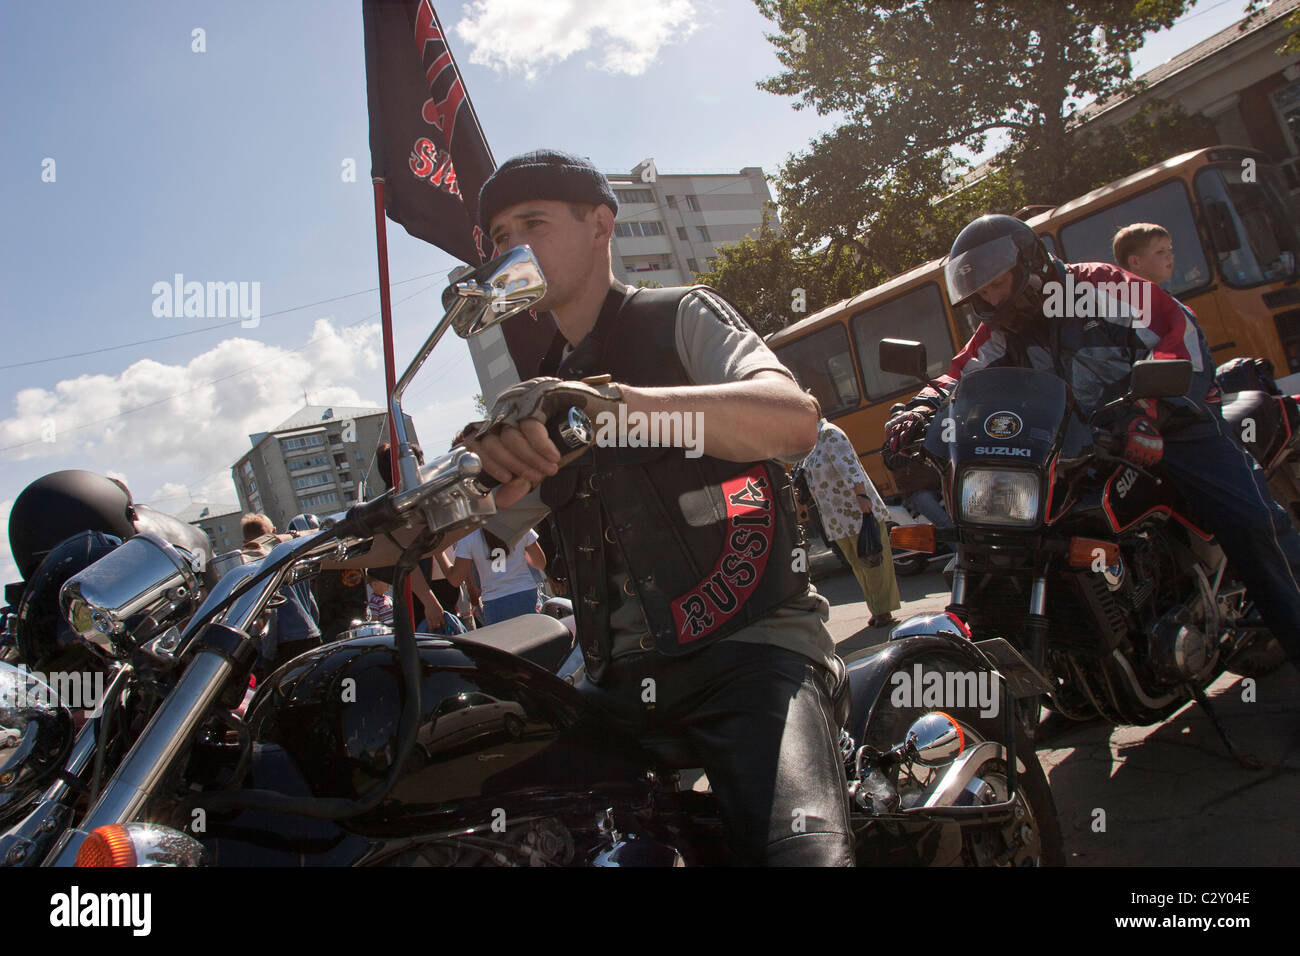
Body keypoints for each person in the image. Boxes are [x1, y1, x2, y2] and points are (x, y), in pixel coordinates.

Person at [456, 149, 854, 866]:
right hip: (616, 685)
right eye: (498, 237)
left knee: (802, 858)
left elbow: (794, 420)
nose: (511, 246)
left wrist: (619, 408)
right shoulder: (537, 394)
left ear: (602, 224)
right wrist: (401, 520)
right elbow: (487, 520)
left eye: (533, 223)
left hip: (753, 654)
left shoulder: (678, 316)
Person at [884, 214, 1300, 669]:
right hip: (1084, 445)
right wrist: (919, 410)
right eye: (982, 293)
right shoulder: (1003, 330)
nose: (993, 299)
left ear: (1030, 264)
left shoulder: (1098, 287)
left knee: (1252, 523)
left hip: (1172, 426)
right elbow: (960, 374)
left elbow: (1178, 335)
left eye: (999, 284)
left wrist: (1147, 414)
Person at [802, 414, 899, 627]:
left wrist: (862, 496)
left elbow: (850, 467)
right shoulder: (811, 441)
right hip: (837, 517)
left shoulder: (830, 434)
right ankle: (876, 608)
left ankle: (883, 611)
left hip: (856, 512)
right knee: (860, 566)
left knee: (873, 562)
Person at [241, 513, 322, 670]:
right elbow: (312, 605)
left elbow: (269, 616)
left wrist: (266, 655)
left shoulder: (255, 569)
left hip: (282, 642)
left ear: (245, 543)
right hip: (309, 634)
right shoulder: (293, 558)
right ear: (274, 532)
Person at [436, 527, 545, 625]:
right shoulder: (518, 524)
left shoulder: (468, 536)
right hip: (526, 595)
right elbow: (540, 563)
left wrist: (438, 552)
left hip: (495, 603)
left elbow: (455, 579)